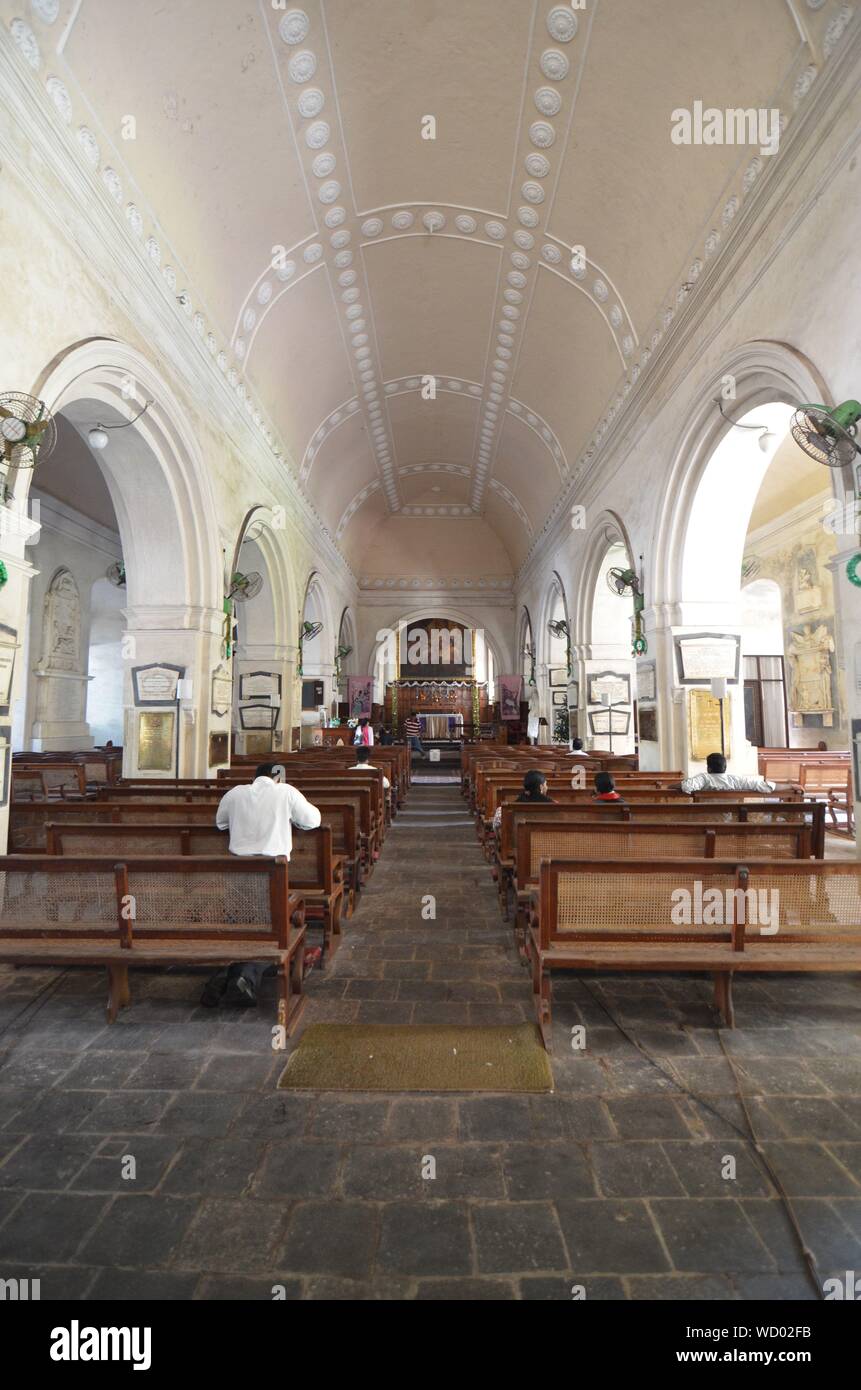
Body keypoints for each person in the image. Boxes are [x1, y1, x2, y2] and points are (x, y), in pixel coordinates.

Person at [202, 764, 322, 1008]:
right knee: (274, 930)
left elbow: (220, 823)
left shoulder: (235, 793)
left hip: (238, 873)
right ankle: (242, 977)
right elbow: (313, 821)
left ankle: (227, 975)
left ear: (254, 777)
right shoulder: (286, 792)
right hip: (273, 874)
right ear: (276, 777)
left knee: (246, 925)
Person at [679, 752, 779, 795]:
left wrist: (668, 786)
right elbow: (764, 786)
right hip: (730, 818)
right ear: (725, 767)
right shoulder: (735, 779)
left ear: (709, 768)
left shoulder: (703, 778)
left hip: (704, 818)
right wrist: (790, 785)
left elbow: (686, 786)